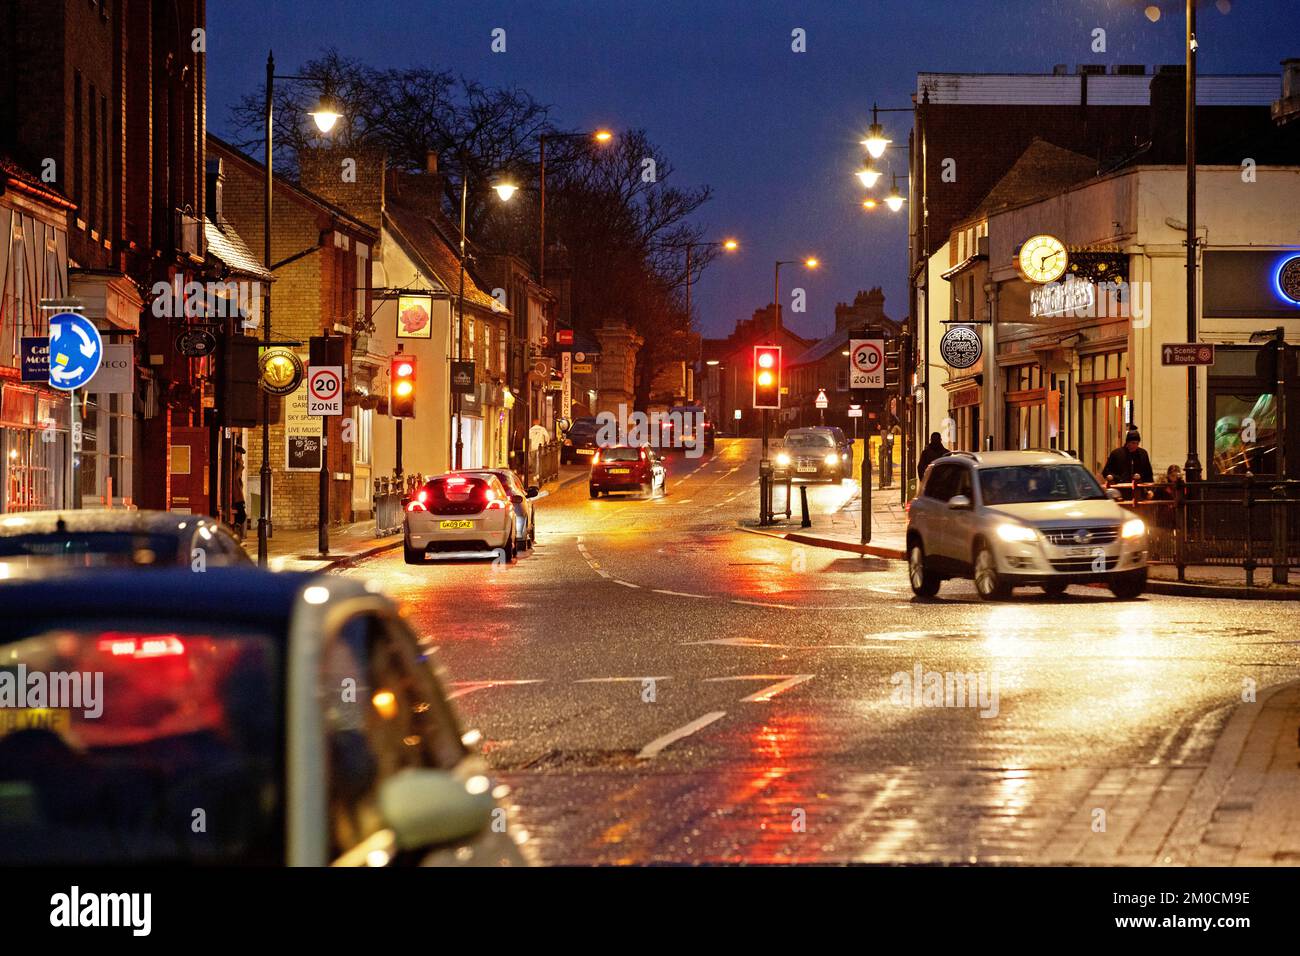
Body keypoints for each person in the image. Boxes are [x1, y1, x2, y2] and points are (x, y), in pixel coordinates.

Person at [231, 444, 247, 539]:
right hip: (236, 496)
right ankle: (235, 533)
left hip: (238, 495)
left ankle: (236, 533)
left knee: (241, 516)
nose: (240, 456)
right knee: (241, 516)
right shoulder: (235, 465)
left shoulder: (236, 464)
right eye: (239, 454)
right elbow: (235, 477)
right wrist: (240, 466)